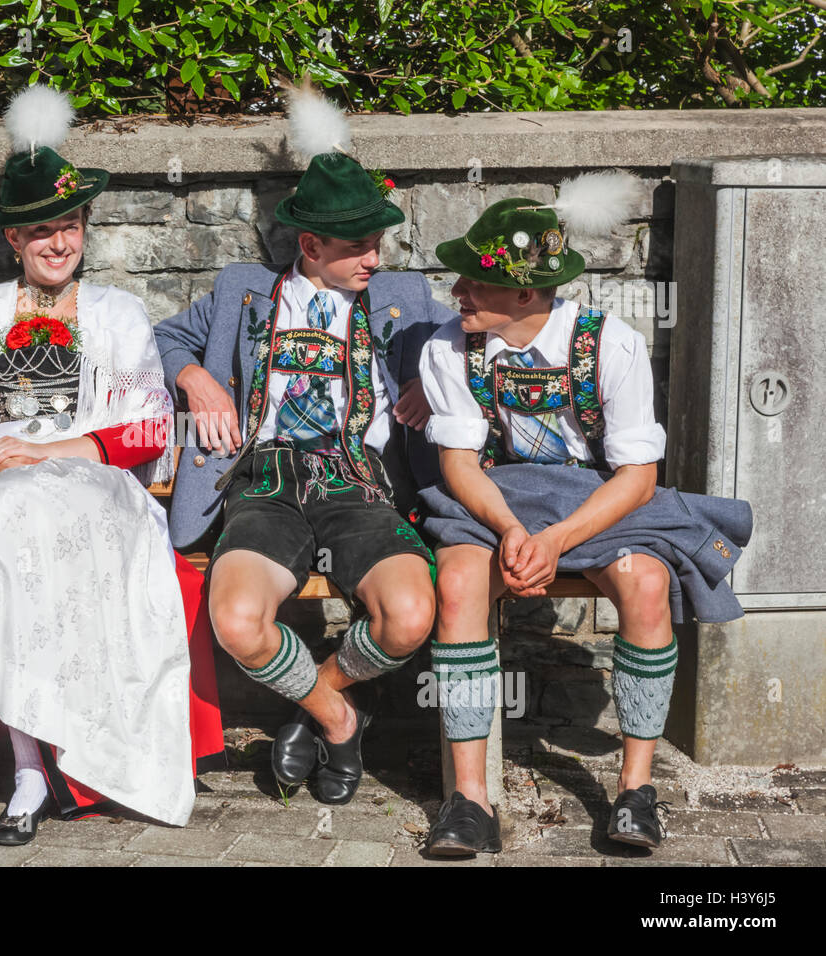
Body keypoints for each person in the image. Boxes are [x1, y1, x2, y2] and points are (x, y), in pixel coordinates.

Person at [0, 86, 223, 846]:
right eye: (40, 232)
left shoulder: (118, 314)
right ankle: (28, 777)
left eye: (69, 225)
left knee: (19, 514)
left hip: (94, 491)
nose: (58, 243)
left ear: (85, 229)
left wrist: (50, 451)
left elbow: (149, 427)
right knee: (6, 518)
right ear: (15, 242)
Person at [417, 174, 753, 855]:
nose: (456, 294)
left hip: (598, 500)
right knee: (457, 584)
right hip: (493, 496)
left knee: (648, 582)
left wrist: (560, 537)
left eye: (473, 283)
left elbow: (637, 476)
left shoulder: (612, 345)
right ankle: (470, 800)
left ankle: (634, 791)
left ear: (523, 292)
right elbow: (456, 466)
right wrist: (513, 530)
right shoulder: (449, 347)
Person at [153, 82, 453, 806]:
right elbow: (162, 337)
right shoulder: (242, 289)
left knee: (411, 616)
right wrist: (198, 380)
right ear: (310, 246)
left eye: (377, 244)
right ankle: (338, 717)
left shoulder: (403, 296)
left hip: (361, 481)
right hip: (265, 483)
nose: (373, 260)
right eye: (357, 248)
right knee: (237, 622)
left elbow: (478, 330)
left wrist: (438, 378)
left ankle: (315, 696)